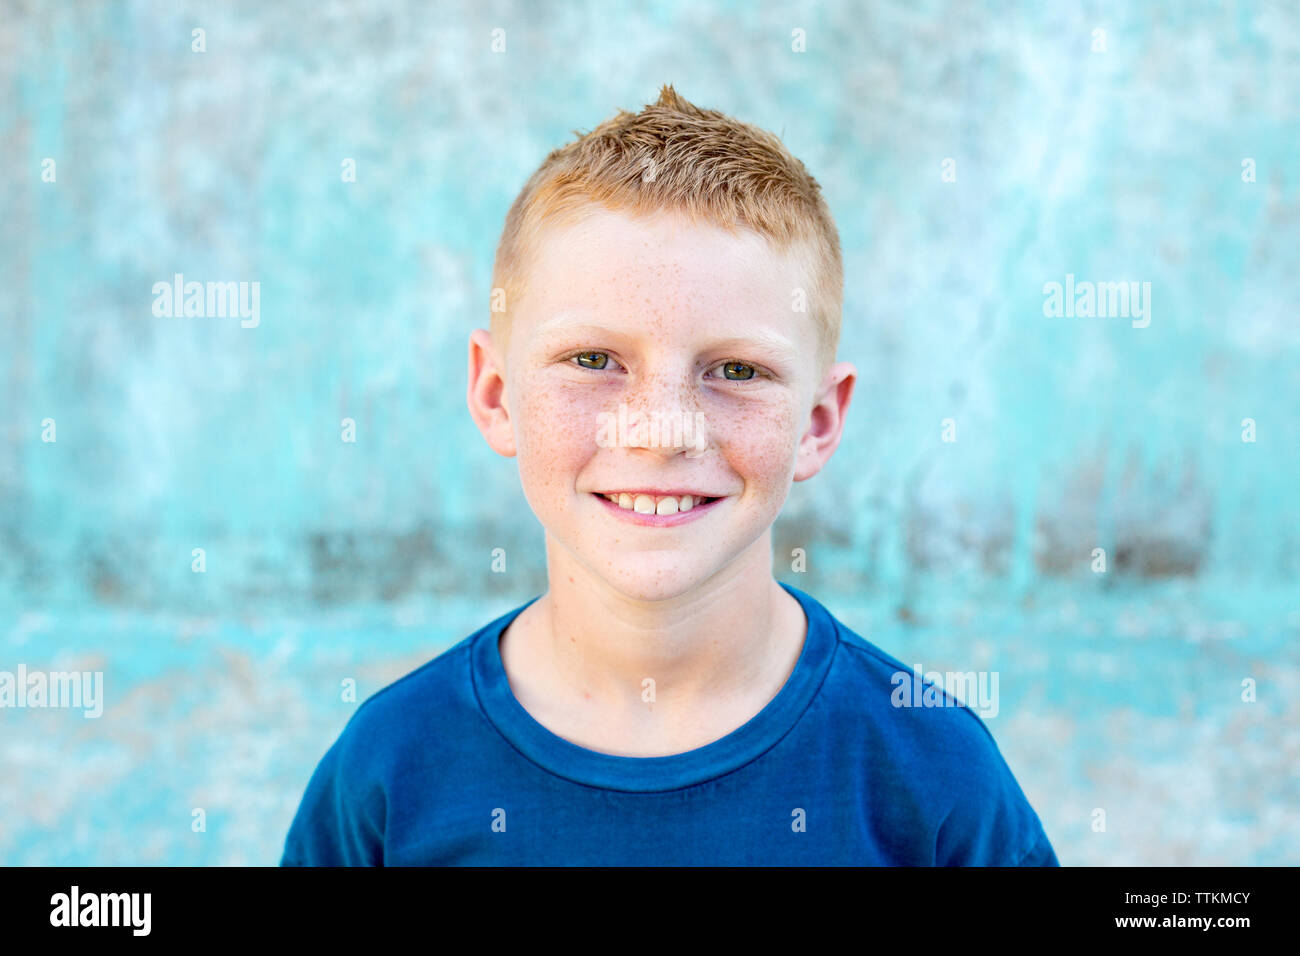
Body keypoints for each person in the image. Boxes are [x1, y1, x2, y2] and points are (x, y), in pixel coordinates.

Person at [281, 84, 1057, 866]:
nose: (659, 431)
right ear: (496, 395)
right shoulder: (390, 773)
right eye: (593, 361)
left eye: (737, 370)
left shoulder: (932, 779)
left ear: (818, 423)